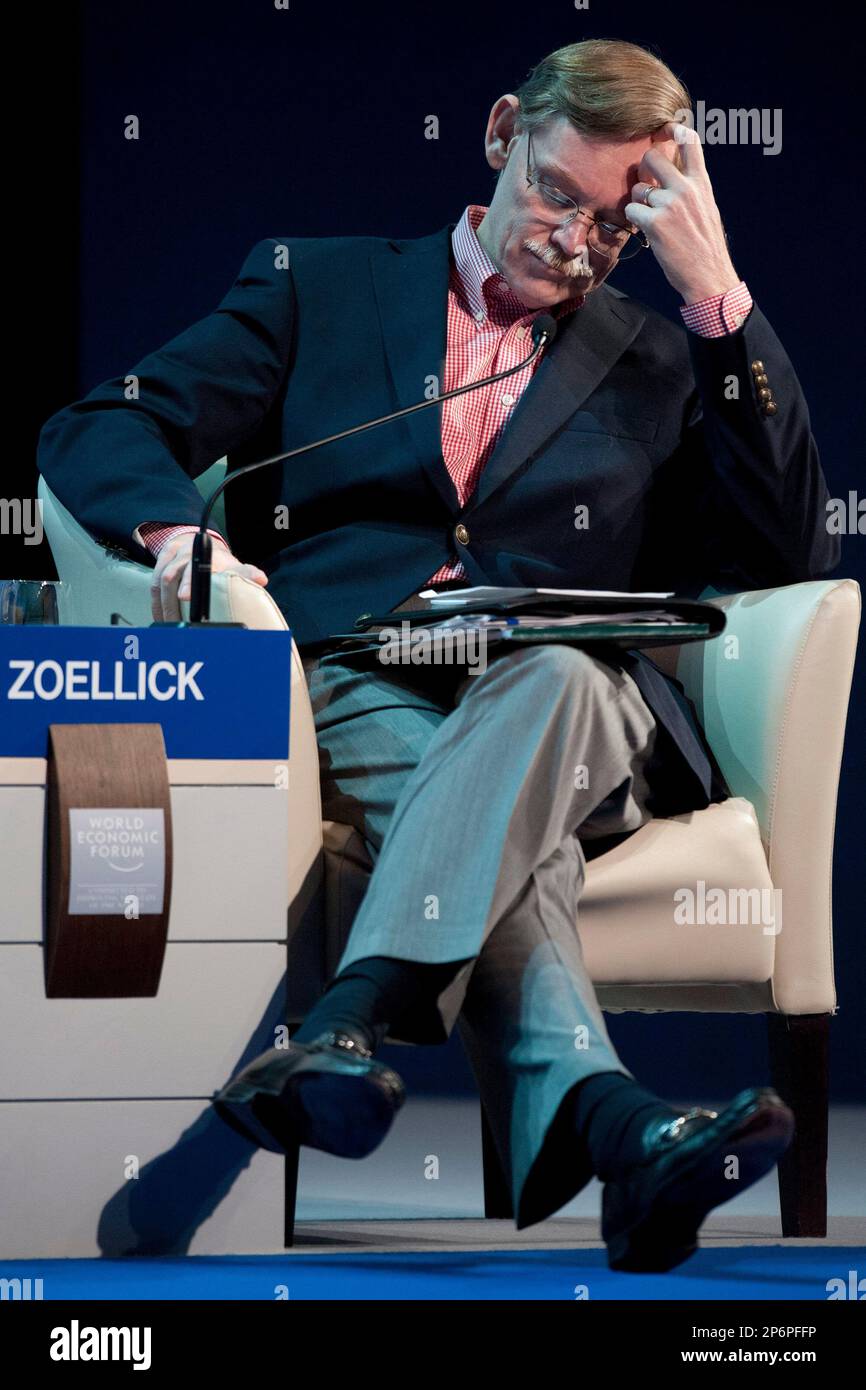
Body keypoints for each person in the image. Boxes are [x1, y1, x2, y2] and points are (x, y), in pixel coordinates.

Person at [37, 39, 838, 1271]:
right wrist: (174, 531)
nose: (574, 240)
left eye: (614, 226)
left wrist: (717, 295)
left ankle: (346, 1019)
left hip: (581, 710)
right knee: (487, 828)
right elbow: (106, 418)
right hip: (365, 685)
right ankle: (618, 1135)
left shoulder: (662, 352)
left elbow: (782, 549)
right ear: (501, 130)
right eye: (557, 194)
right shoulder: (324, 286)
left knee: (557, 674)